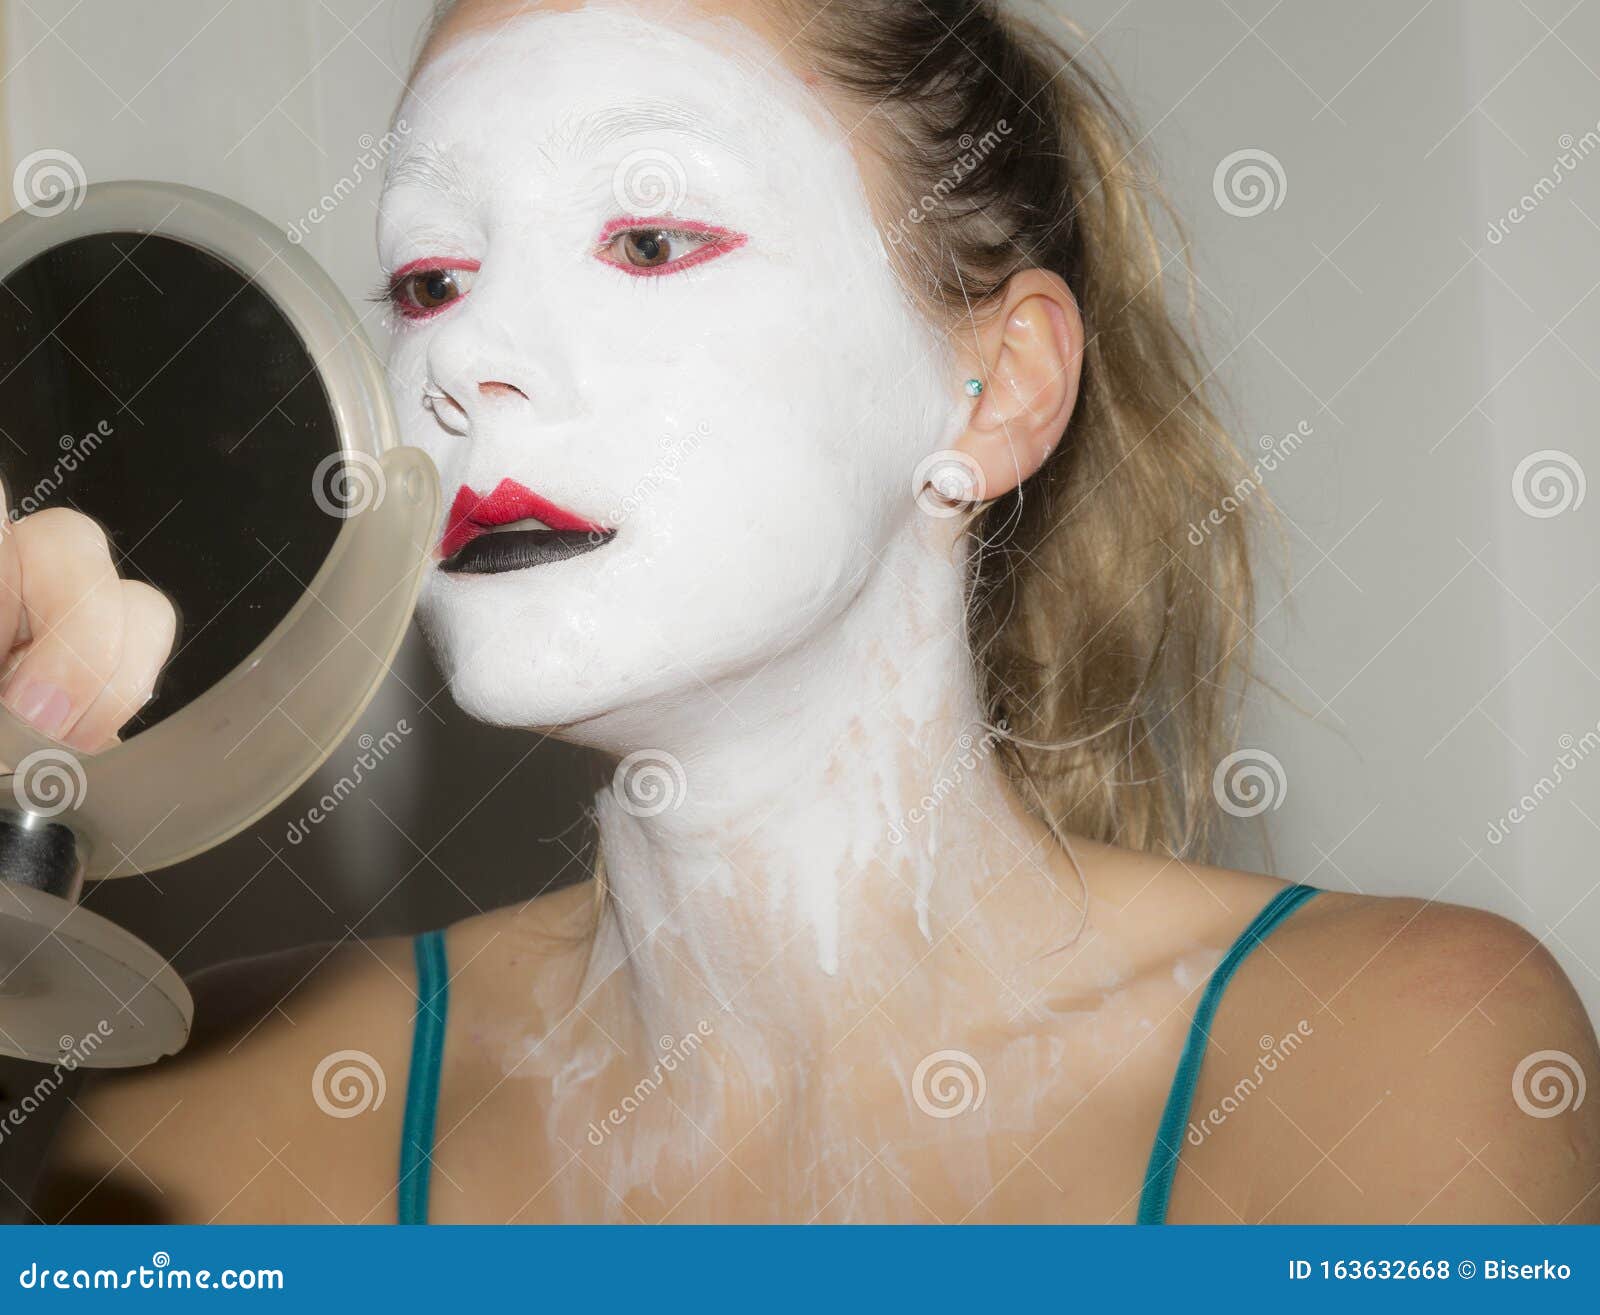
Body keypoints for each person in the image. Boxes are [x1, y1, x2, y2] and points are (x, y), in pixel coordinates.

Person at [31, 0, 1600, 1223]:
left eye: (650, 239)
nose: (461, 359)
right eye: (430, 279)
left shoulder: (1395, 1064)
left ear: (995, 390)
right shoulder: (201, 1126)